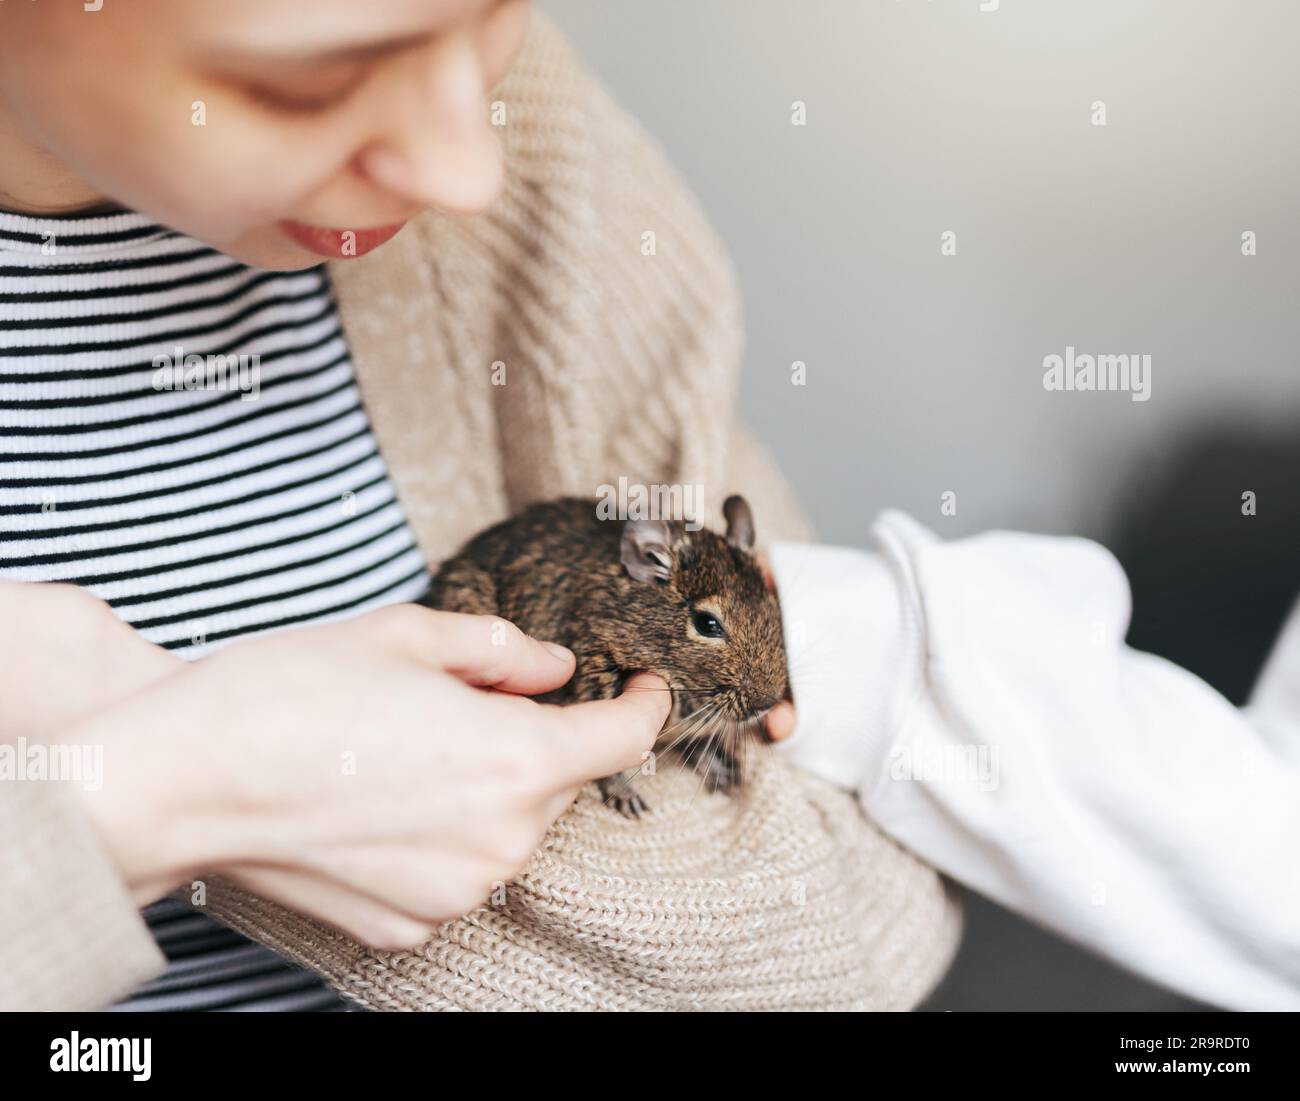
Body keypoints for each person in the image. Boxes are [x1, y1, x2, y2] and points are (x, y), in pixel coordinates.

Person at [1, 1, 1294, 1014]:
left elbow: (844, 929)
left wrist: (198, 784)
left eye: (496, 7)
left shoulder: (542, 167)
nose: (467, 168)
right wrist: (144, 806)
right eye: (308, 75)